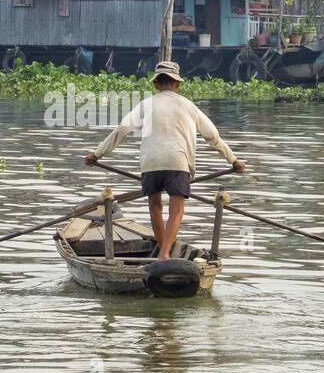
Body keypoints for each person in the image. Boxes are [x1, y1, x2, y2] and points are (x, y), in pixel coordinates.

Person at [85, 60, 246, 260]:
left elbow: (122, 130)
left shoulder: (146, 104)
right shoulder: (189, 106)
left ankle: (164, 252)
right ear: (177, 84)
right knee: (176, 210)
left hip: (150, 163)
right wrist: (233, 160)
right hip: (178, 162)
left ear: (155, 84)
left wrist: (97, 154)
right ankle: (164, 255)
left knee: (154, 206)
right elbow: (212, 136)